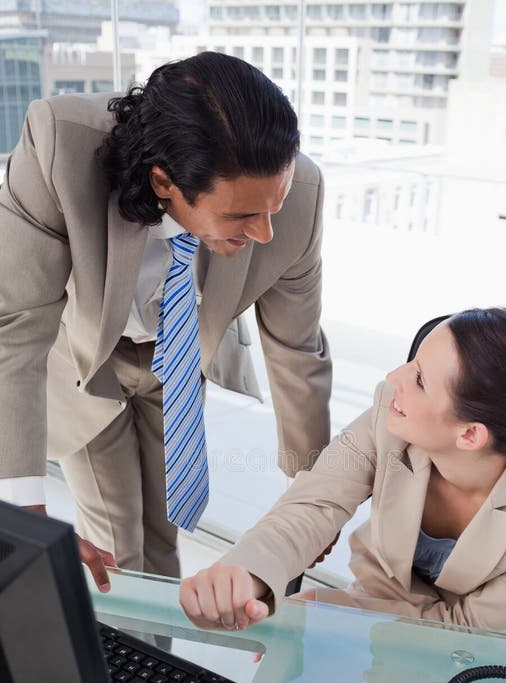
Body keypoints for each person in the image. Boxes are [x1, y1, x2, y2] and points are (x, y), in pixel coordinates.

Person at [0, 52, 332, 589]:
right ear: (163, 182)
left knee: (163, 534)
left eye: (273, 207)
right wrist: (22, 512)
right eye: (242, 216)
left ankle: (159, 639)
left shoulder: (298, 198)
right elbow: (13, 326)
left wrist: (312, 495)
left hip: (180, 354)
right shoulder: (57, 145)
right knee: (118, 545)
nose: (265, 233)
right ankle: (124, 643)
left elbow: (298, 351)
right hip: (86, 359)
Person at [180, 307, 506, 642]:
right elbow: (315, 503)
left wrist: (339, 613)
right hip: (381, 604)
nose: (392, 378)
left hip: (499, 648)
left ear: (470, 434)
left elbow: (470, 629)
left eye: (419, 380)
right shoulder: (391, 410)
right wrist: (246, 573)